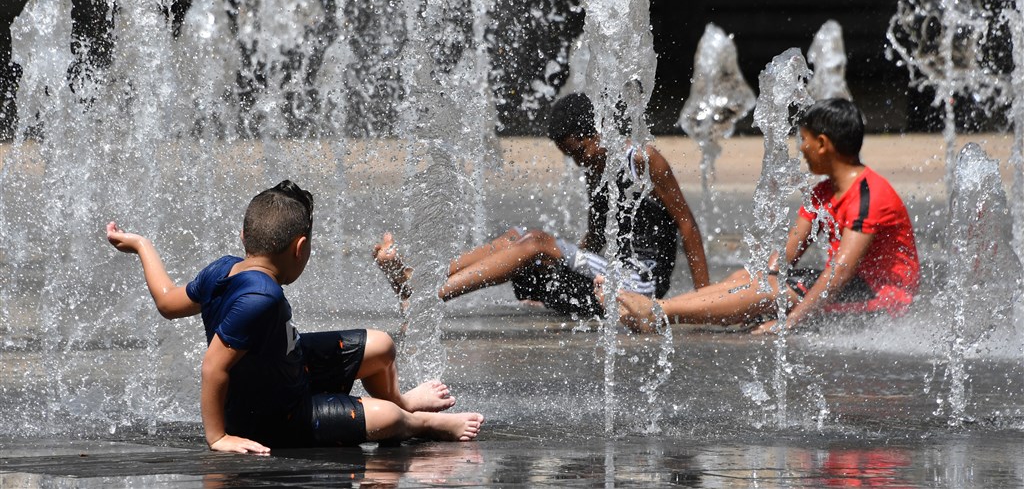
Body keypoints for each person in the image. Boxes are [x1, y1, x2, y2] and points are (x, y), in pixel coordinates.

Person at [106, 180, 484, 454]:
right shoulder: (261, 298)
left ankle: (402, 399)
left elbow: (168, 302)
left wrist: (142, 245)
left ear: (244, 237)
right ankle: (423, 422)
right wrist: (218, 437)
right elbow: (212, 367)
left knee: (382, 346)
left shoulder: (223, 269)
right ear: (300, 248)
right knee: (387, 419)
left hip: (291, 366)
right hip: (277, 415)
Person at [374, 92, 709, 317]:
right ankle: (421, 278)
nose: (579, 163)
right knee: (517, 236)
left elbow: (688, 226)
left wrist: (704, 300)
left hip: (641, 284)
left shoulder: (643, 160)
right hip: (611, 274)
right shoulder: (596, 169)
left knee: (534, 241)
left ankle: (425, 299)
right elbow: (594, 237)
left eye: (579, 151)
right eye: (571, 157)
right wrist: (559, 263)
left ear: (596, 132)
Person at [611, 97, 920, 334]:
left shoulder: (870, 195)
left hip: (879, 300)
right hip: (848, 286)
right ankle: (662, 313)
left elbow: (838, 274)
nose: (800, 149)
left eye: (804, 140)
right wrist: (758, 276)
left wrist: (789, 323)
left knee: (770, 291)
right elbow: (783, 260)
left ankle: (658, 311)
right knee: (749, 278)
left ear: (823, 144)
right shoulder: (823, 192)